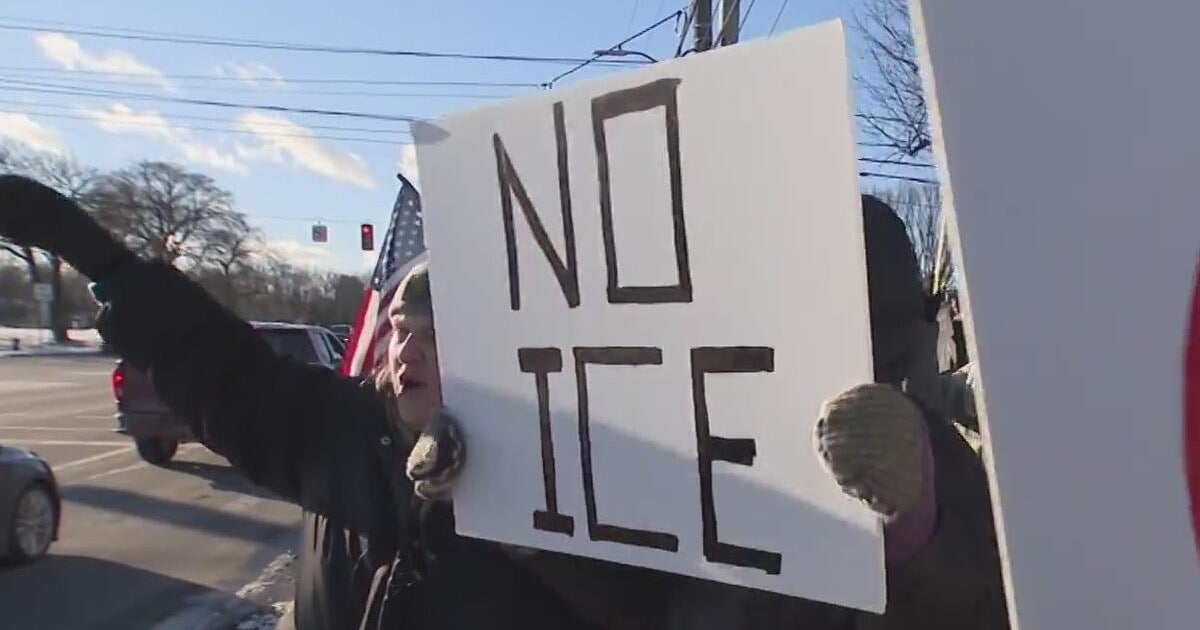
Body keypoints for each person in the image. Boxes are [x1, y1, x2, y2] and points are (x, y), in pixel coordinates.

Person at [0, 174, 587, 630]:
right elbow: (227, 375)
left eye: (436, 337)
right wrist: (103, 261)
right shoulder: (345, 430)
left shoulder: (568, 478)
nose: (408, 352)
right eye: (401, 330)